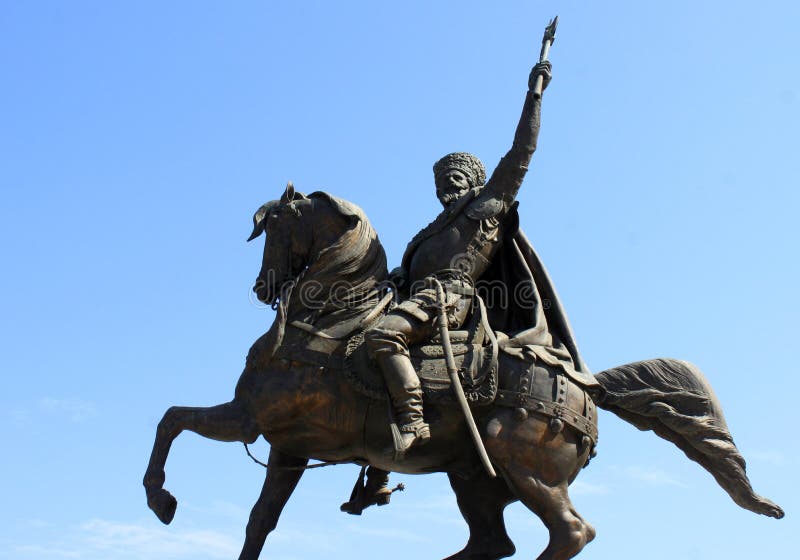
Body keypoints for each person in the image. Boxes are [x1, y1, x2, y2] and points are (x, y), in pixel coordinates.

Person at [365, 60, 575, 457]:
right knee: (356, 347)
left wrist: (535, 94)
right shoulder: (427, 232)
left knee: (383, 336)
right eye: (441, 179)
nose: (447, 182)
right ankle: (374, 469)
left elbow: (522, 151)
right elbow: (406, 273)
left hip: (448, 299)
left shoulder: (487, 205)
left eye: (456, 175)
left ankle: (413, 420)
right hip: (414, 296)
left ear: (475, 181)